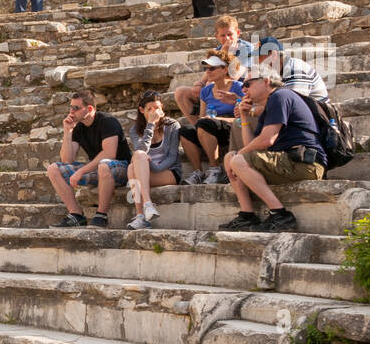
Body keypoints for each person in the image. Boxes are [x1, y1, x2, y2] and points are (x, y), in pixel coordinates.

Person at [220, 70, 328, 233]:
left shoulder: (281, 96)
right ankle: (247, 215)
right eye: (242, 86)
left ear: (266, 81)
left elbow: (266, 140)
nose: (244, 90)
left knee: (237, 160)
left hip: (306, 163)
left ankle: (280, 214)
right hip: (287, 160)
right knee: (230, 157)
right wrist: (244, 116)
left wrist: (239, 157)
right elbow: (251, 146)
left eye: (247, 84)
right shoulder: (270, 104)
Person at [44, 90, 132, 227]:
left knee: (104, 165)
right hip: (99, 170)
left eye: (76, 108)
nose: (71, 111)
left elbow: (109, 153)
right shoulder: (79, 127)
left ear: (89, 108)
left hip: (122, 169)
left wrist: (80, 172)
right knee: (54, 169)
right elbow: (67, 160)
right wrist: (68, 132)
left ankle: (101, 216)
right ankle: (76, 215)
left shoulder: (107, 121)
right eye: (70, 107)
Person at [174, 14, 253, 129]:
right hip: (217, 89)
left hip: (236, 91)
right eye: (223, 35)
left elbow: (233, 76)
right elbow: (210, 70)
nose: (227, 38)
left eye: (230, 34)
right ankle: (200, 130)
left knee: (209, 85)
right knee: (181, 92)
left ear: (238, 33)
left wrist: (225, 53)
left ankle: (208, 128)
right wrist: (199, 83)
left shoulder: (246, 48)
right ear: (216, 36)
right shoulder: (218, 49)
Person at [178, 52, 244, 185]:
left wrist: (220, 119)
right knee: (185, 131)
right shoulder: (205, 91)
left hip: (232, 125)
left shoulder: (238, 87)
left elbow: (243, 118)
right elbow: (202, 117)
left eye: (212, 68)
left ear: (225, 69)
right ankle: (198, 172)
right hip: (210, 125)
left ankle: (215, 169)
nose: (208, 71)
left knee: (204, 123)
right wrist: (210, 120)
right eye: (206, 68)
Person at [125, 91, 184, 229]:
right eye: (149, 109)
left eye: (157, 108)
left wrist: (153, 167)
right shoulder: (135, 130)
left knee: (133, 171)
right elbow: (141, 150)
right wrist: (150, 125)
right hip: (144, 170)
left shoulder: (172, 125)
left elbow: (172, 156)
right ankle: (147, 207)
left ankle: (141, 215)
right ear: (141, 110)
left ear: (162, 107)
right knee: (136, 159)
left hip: (169, 171)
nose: (154, 112)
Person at [256, 36, 328, 100]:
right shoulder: (281, 72)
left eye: (260, 57)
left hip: (316, 113)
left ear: (273, 55)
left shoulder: (296, 70)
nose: (258, 62)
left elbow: (291, 104)